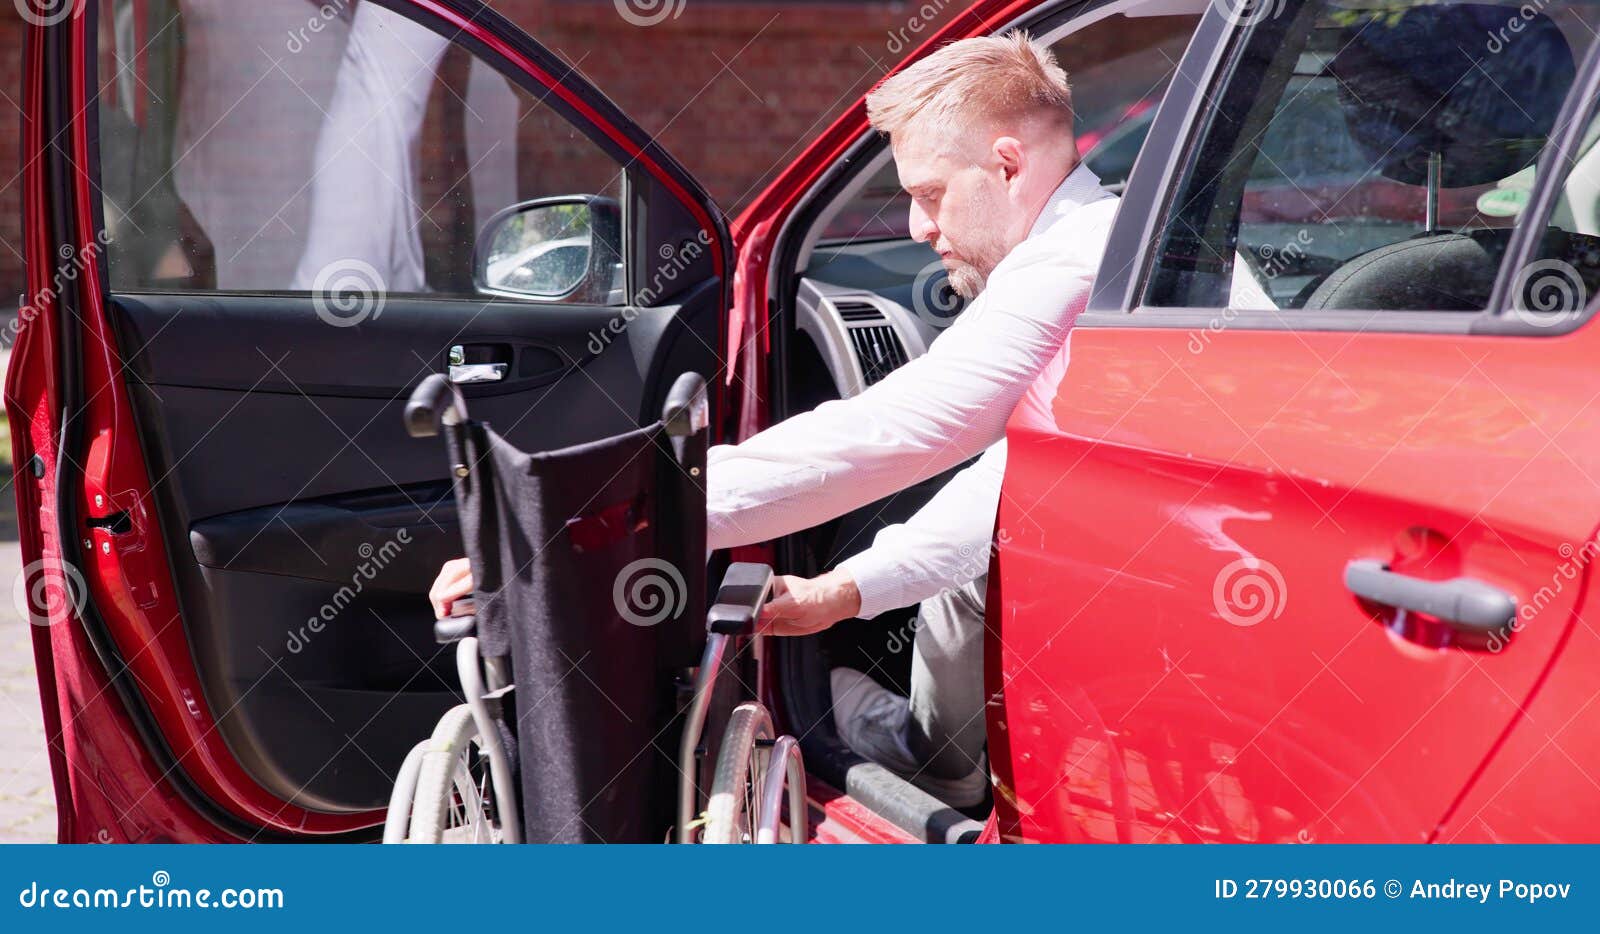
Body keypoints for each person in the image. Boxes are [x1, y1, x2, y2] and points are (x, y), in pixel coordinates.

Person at [430, 31, 1119, 807]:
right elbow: (1018, 478)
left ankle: (925, 753)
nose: (921, 229)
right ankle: (919, 743)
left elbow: (901, 429)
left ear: (1007, 164)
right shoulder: (1112, 246)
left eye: (929, 194)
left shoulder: (1071, 263)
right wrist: (848, 588)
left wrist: (576, 530)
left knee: (963, 587)